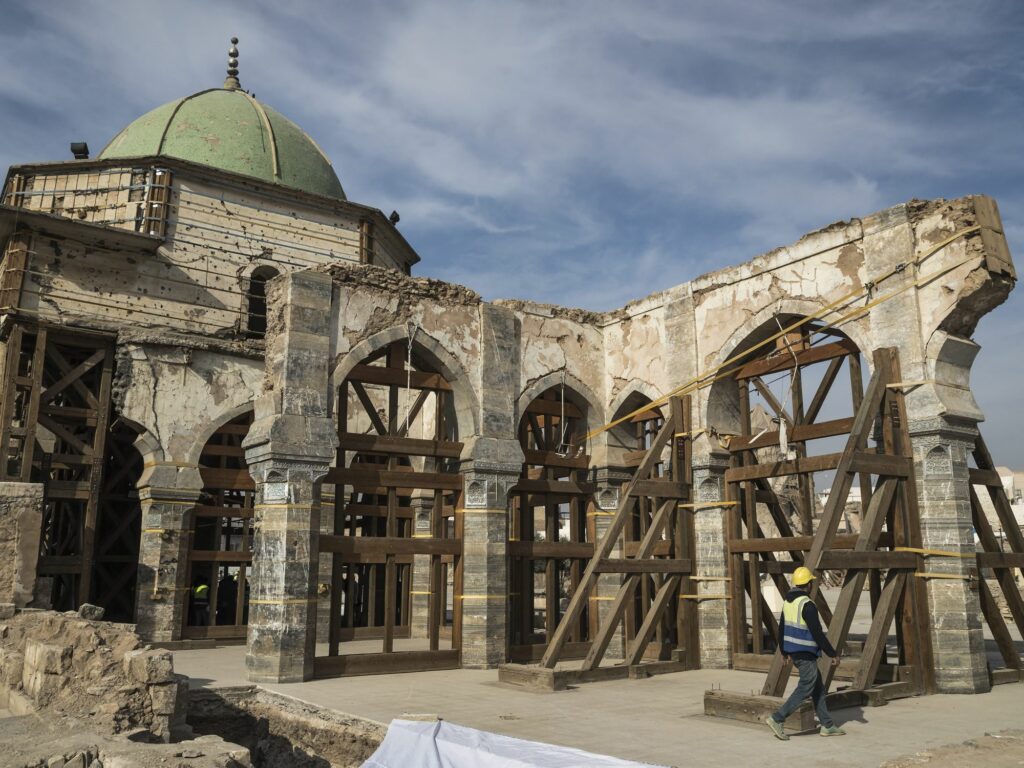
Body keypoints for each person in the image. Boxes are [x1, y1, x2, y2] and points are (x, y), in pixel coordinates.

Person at [766, 566, 846, 740]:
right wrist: (832, 653)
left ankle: (827, 725)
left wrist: (784, 651)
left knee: (818, 689)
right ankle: (777, 718)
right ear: (808, 584)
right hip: (805, 654)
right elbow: (817, 633)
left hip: (795, 652)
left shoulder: (788, 602)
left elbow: (782, 628)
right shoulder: (807, 605)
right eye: (811, 582)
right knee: (805, 687)